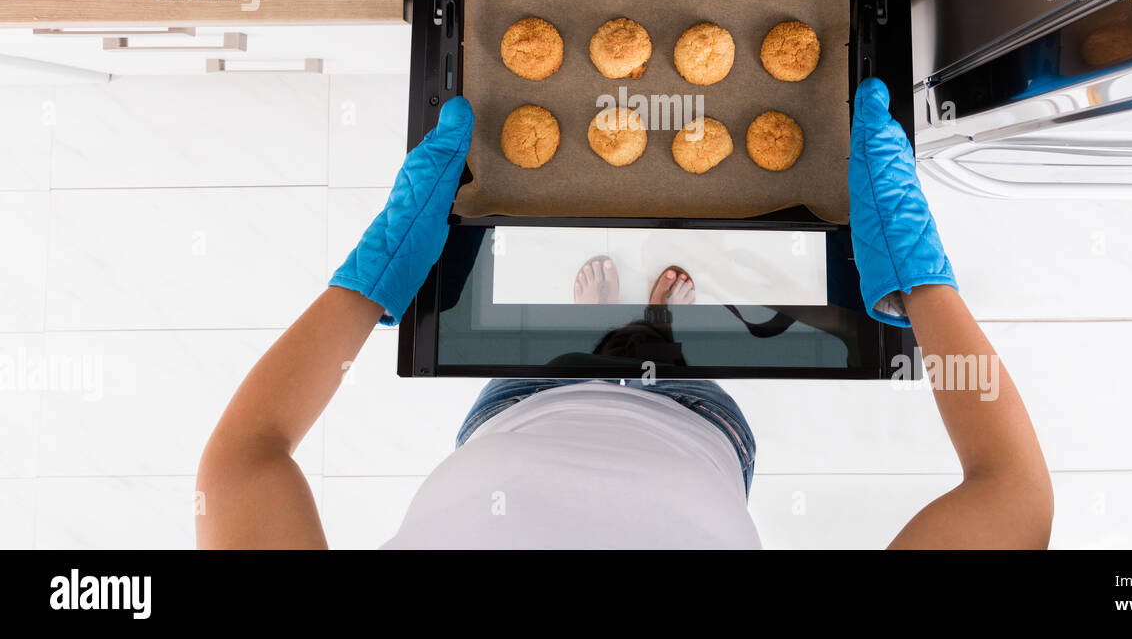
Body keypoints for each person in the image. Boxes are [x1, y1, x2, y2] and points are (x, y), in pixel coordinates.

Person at [196, 80, 1053, 549]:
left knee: (566, 369)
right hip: (695, 430)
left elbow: (241, 465)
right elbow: (1013, 502)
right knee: (655, 349)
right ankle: (649, 331)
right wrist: (918, 275)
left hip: (516, 415)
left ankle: (610, 331)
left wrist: (374, 277)